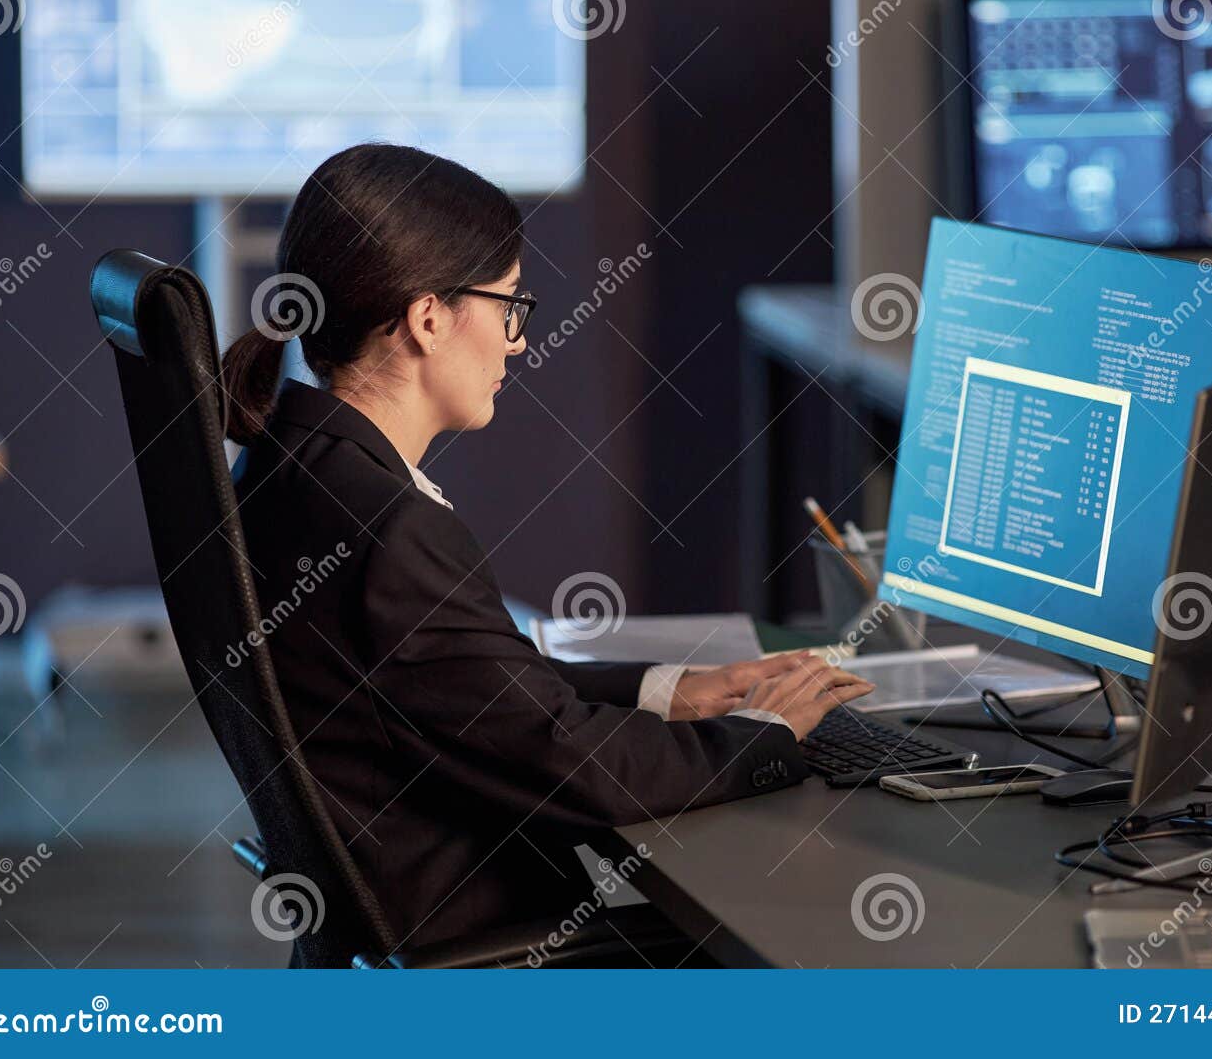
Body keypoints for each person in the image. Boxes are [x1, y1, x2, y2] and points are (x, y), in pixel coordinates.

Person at [223, 142, 872, 957]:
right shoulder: (392, 533)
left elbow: (478, 689)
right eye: (508, 310)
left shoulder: (286, 464)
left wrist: (678, 692)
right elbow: (577, 771)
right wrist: (763, 735)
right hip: (482, 945)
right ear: (429, 318)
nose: (518, 343)